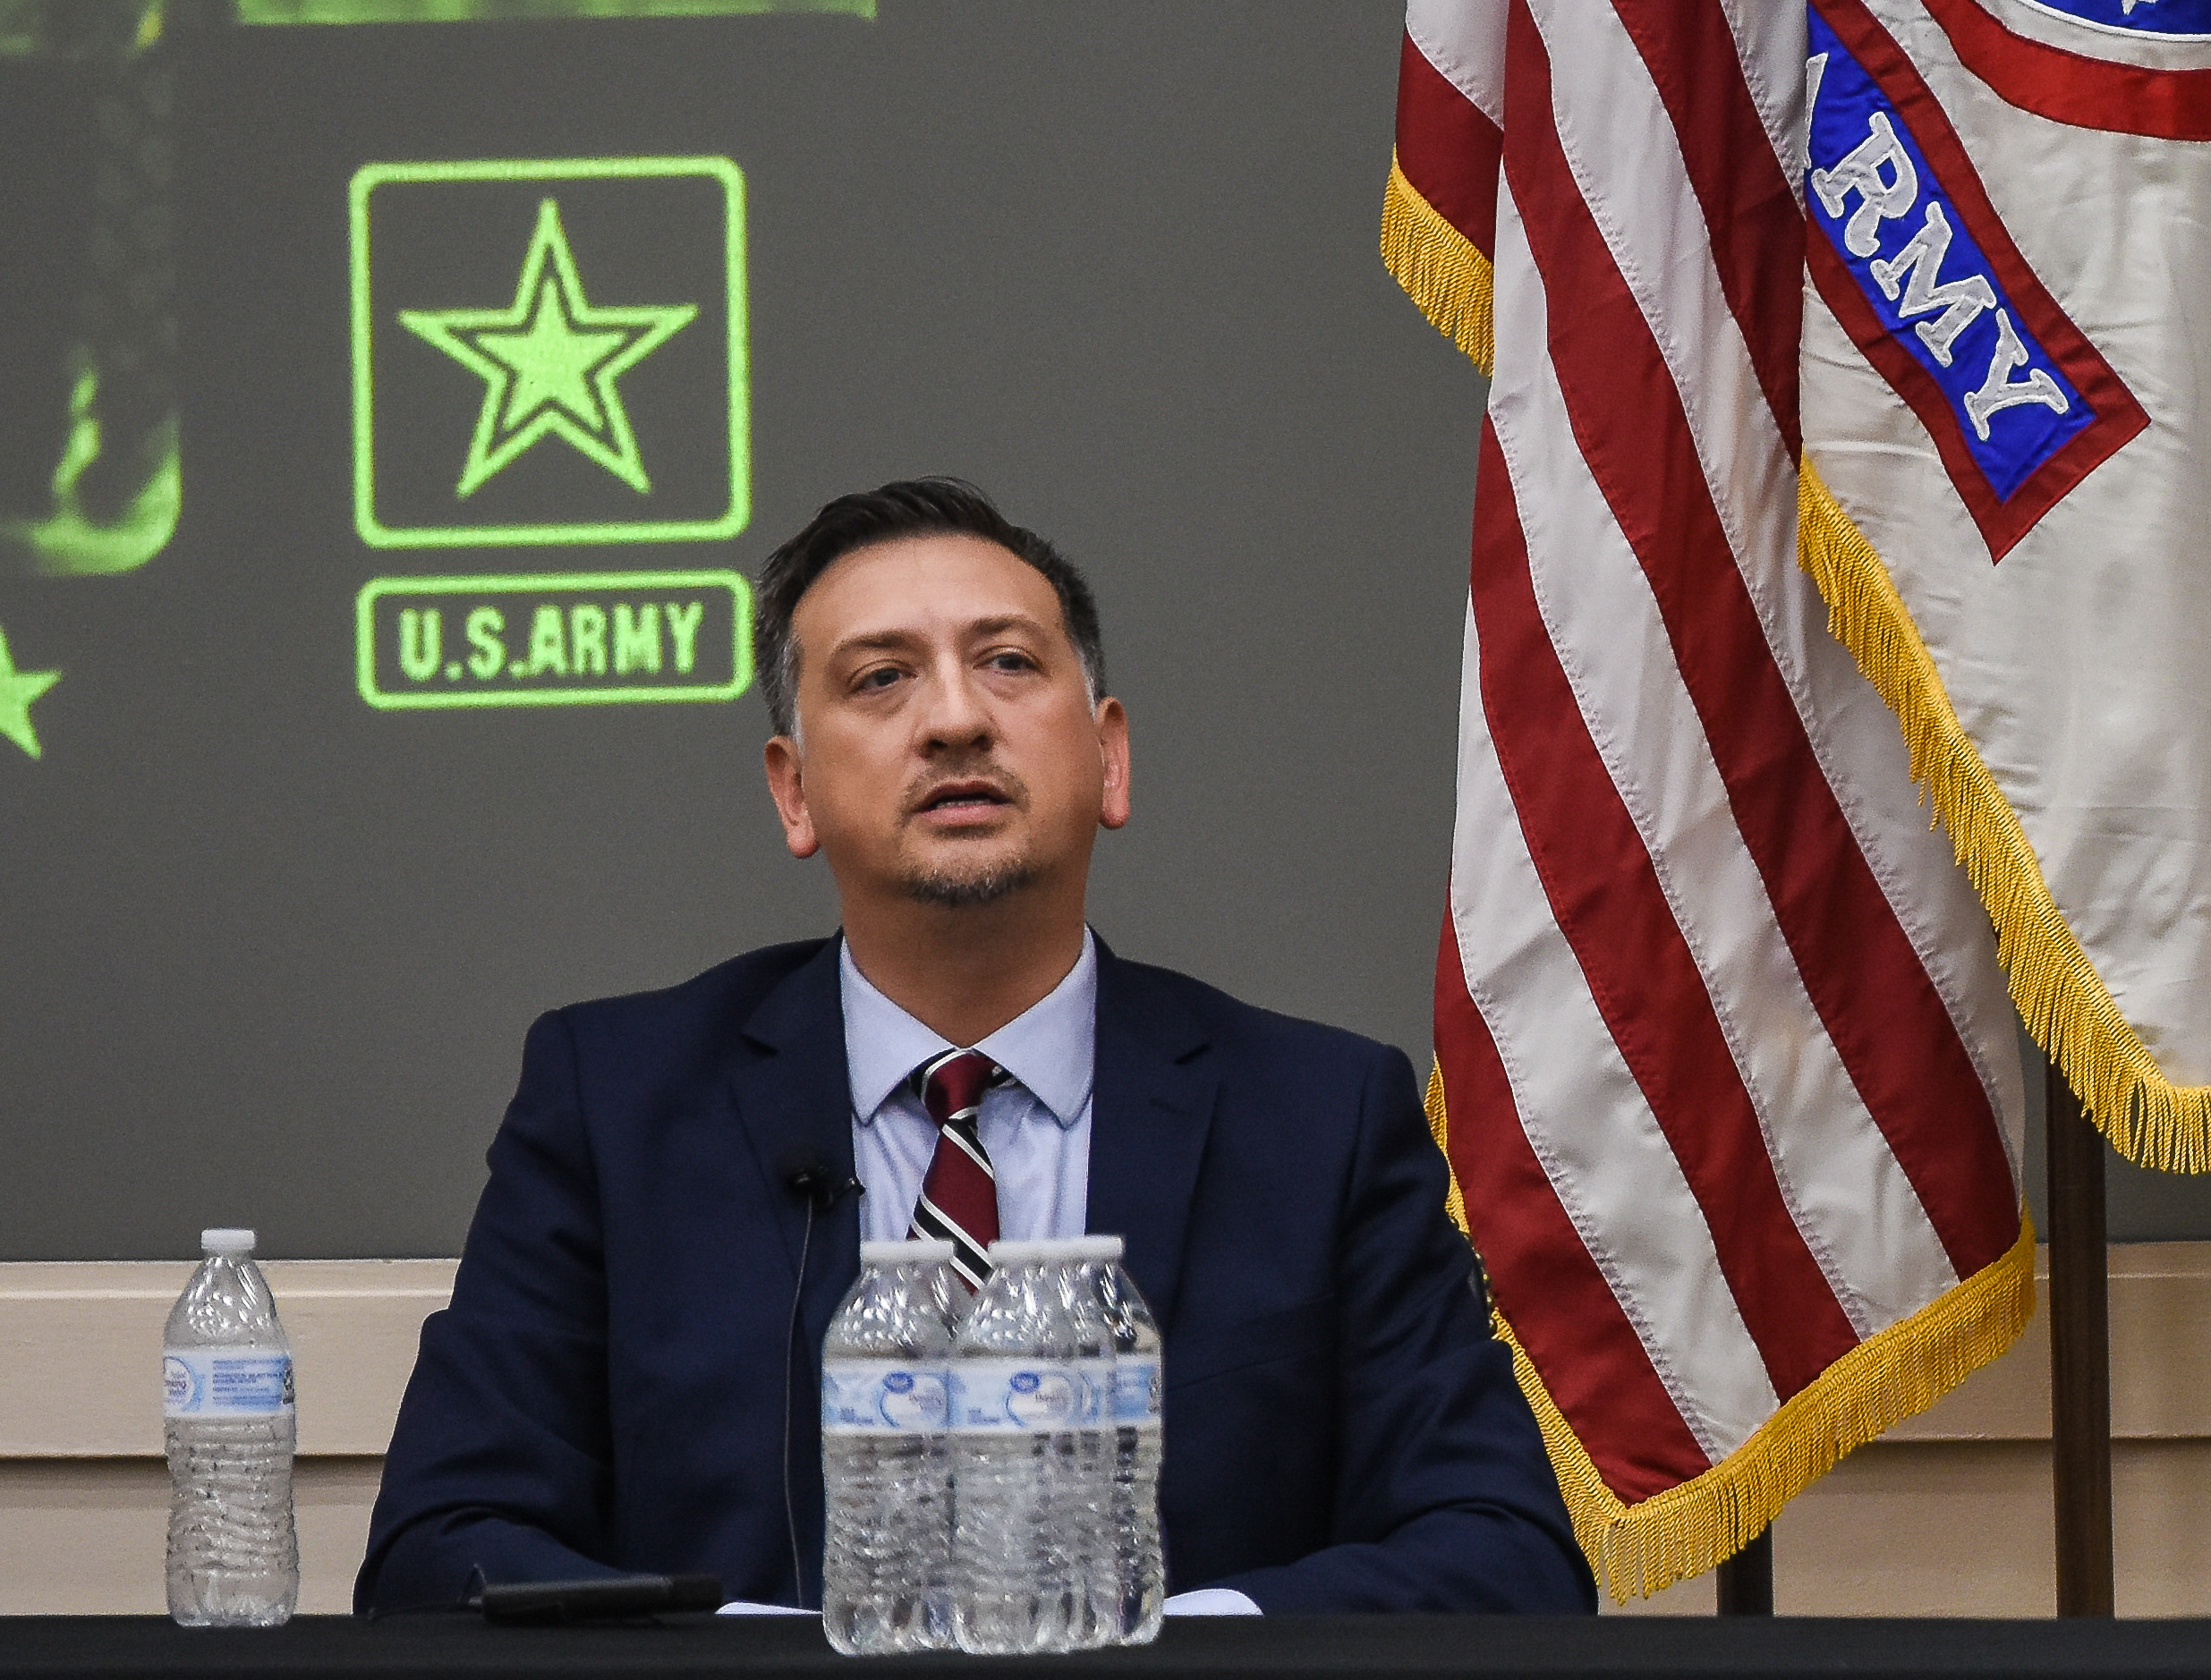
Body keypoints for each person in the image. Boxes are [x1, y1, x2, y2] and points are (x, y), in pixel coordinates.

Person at [360, 478, 1586, 1616]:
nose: (954, 719)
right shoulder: (616, 1106)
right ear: (794, 791)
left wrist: (1170, 1654)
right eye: (881, 678)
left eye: (1007, 663)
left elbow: (1506, 1550)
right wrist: (747, 1668)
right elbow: (440, 1544)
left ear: (1109, 757)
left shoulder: (1318, 1119)